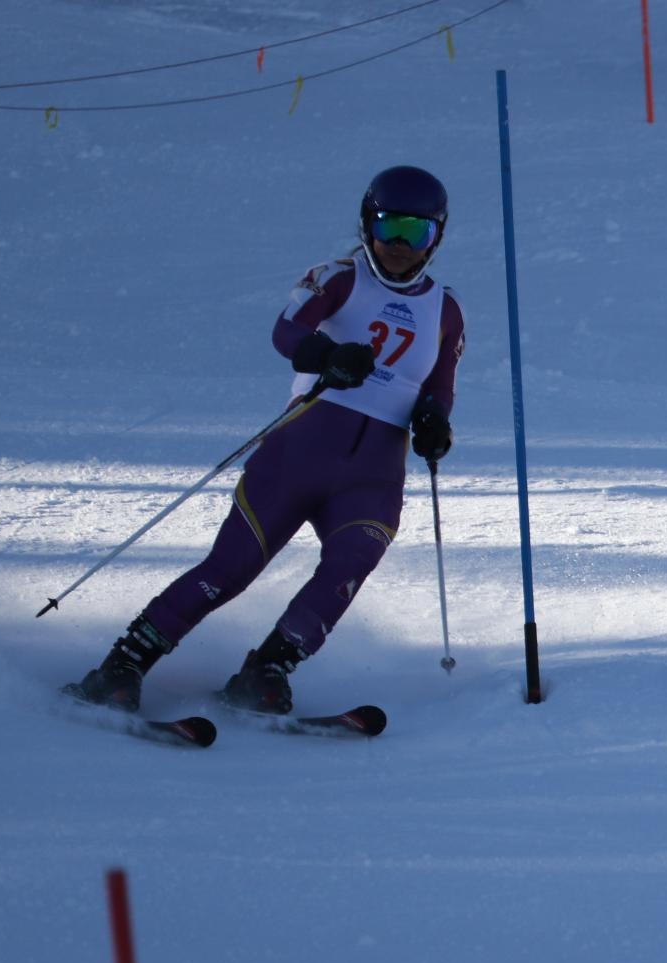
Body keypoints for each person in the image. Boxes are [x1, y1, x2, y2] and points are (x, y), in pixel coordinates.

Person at [67, 165, 466, 715]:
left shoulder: (445, 309)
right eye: (388, 225)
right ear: (366, 222)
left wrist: (434, 423)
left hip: (374, 473)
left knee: (351, 563)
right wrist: (328, 356)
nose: (398, 243)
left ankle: (268, 670)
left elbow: (440, 388)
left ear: (437, 237)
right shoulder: (340, 277)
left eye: (415, 231)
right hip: (299, 453)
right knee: (231, 570)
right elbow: (287, 332)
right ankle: (122, 666)